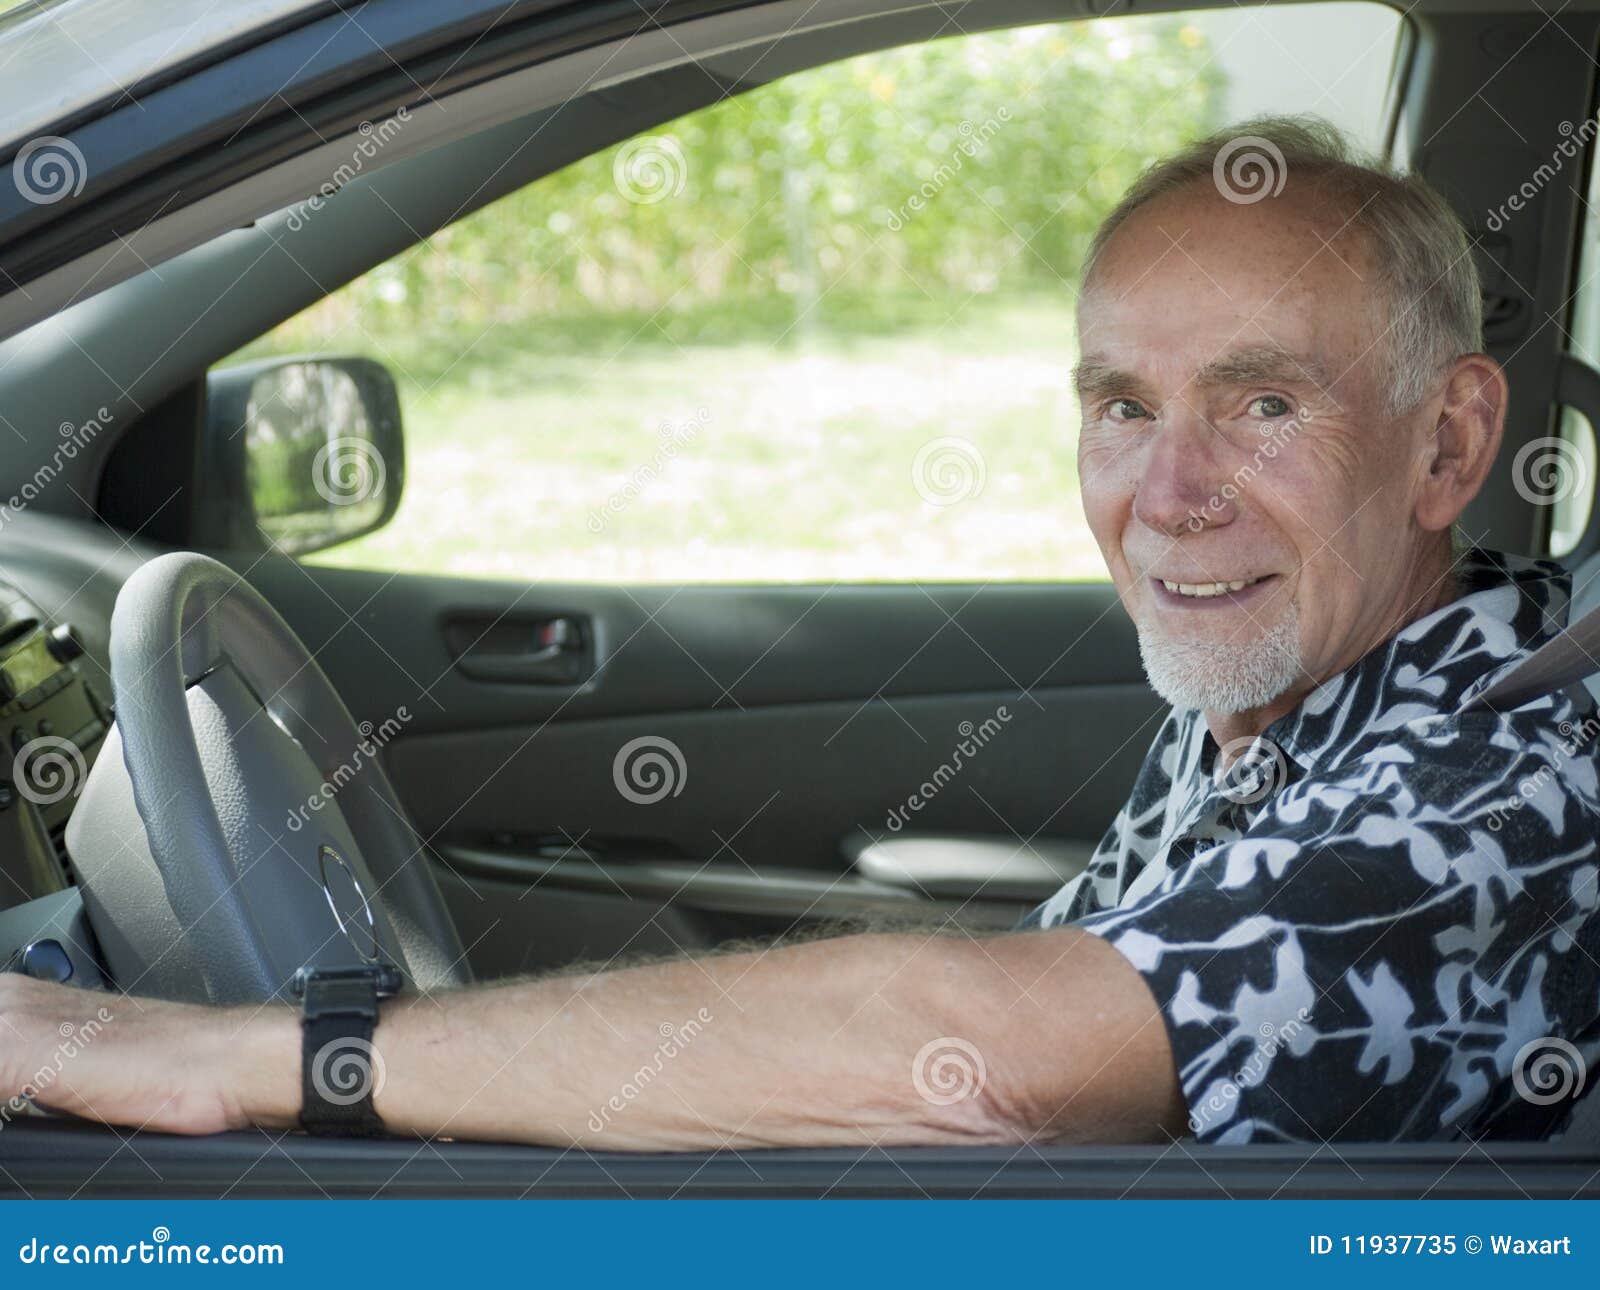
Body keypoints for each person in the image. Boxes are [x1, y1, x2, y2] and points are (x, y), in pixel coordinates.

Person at [4, 116, 1598, 1148]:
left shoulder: (1519, 781)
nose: (1170, 492)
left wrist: (260, 1054)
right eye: (1122, 405)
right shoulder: (1294, 692)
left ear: (1450, 445)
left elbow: (996, 1048)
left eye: (1264, 402)